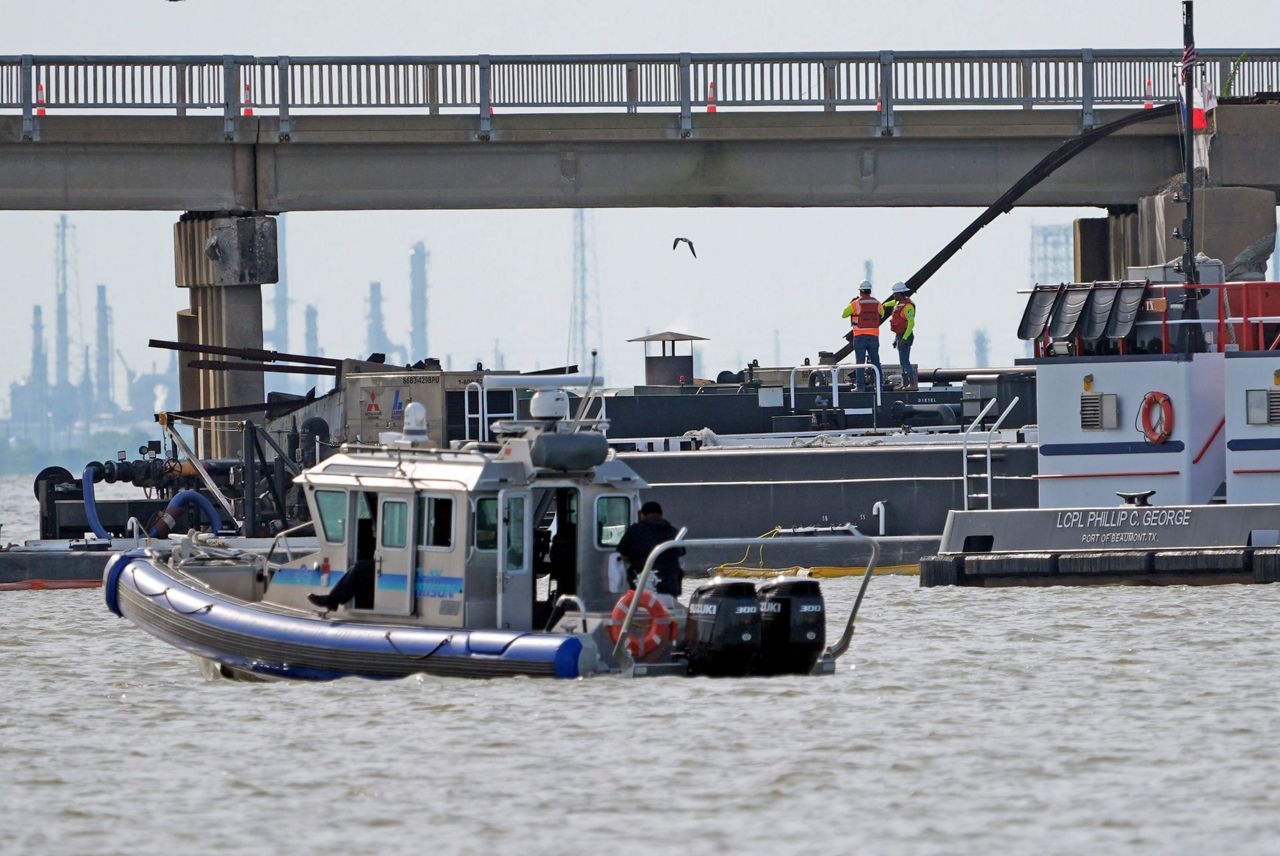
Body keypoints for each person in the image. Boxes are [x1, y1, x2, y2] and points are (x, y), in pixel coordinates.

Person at [616, 501, 684, 597]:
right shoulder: (673, 530)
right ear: (661, 514)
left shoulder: (634, 530)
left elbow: (623, 553)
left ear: (642, 515)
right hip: (671, 584)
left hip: (644, 583)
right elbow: (681, 552)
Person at [841, 280, 882, 392]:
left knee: (860, 362)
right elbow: (882, 314)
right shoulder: (877, 303)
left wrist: (851, 303)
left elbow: (844, 314)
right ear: (870, 291)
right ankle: (879, 386)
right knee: (876, 361)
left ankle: (860, 387)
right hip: (874, 336)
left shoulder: (856, 304)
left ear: (860, 291)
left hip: (859, 336)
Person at [882, 281, 917, 391]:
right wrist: (882, 305)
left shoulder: (908, 307)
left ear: (900, 294)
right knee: (902, 362)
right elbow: (891, 303)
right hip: (899, 335)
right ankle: (905, 384)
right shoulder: (899, 304)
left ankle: (912, 384)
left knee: (905, 361)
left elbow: (911, 324)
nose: (893, 296)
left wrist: (904, 338)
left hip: (905, 336)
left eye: (895, 294)